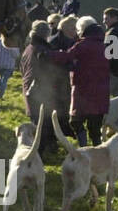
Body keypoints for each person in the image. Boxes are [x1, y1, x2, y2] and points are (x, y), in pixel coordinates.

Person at [50, 15, 110, 146]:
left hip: (83, 89)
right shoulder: (106, 44)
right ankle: (98, 153)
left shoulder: (82, 44)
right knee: (95, 128)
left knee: (75, 121)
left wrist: (49, 53)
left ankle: (83, 148)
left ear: (83, 29)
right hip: (101, 89)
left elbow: (67, 56)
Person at [19, 19, 70, 161]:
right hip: (41, 93)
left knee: (39, 124)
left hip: (29, 90)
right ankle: (37, 158)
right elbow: (51, 72)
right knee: (42, 127)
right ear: (45, 34)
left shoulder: (28, 49)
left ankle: (43, 152)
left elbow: (22, 69)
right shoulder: (43, 50)